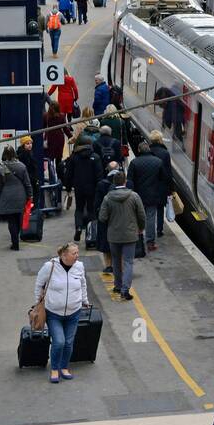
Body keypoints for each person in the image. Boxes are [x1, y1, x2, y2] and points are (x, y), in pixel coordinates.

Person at [33, 242, 90, 384]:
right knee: (59, 342)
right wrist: (37, 304)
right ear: (64, 255)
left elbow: (83, 284)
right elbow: (39, 284)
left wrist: (84, 300)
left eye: (77, 253)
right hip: (54, 313)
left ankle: (64, 367)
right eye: (74, 253)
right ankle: (55, 368)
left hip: (74, 312)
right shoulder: (50, 266)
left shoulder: (79, 266)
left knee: (69, 342)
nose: (77, 256)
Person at [98, 170, 144, 300]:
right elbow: (141, 215)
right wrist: (141, 228)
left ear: (114, 182)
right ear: (125, 182)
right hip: (130, 234)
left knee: (116, 261)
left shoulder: (107, 198)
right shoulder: (134, 196)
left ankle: (117, 286)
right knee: (128, 262)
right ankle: (125, 290)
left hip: (113, 235)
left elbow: (102, 217)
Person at [127, 142, 168, 253]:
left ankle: (136, 239)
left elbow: (129, 180)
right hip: (153, 195)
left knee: (137, 218)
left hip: (137, 195)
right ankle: (150, 242)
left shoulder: (134, 162)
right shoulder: (158, 162)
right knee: (150, 218)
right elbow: (164, 179)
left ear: (139, 150)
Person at [62, 134, 103, 243]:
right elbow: (99, 175)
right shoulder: (95, 157)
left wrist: (68, 187)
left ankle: (79, 227)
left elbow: (68, 174)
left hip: (79, 188)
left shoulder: (74, 157)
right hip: (92, 188)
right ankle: (92, 234)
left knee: (79, 209)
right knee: (91, 210)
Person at [0, 147, 33, 251]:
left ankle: (14, 242)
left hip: (7, 196)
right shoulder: (22, 166)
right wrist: (30, 196)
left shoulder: (2, 167)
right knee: (19, 218)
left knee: (11, 221)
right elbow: (27, 183)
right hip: (21, 195)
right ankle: (17, 237)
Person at [93, 162, 120, 278]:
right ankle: (117, 265)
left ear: (107, 170)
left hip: (105, 218)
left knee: (105, 241)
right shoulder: (126, 183)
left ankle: (108, 265)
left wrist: (98, 216)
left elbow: (97, 204)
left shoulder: (101, 184)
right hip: (119, 219)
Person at [147, 130, 172, 238]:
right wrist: (170, 188)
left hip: (149, 184)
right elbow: (168, 172)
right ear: (160, 139)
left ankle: (150, 231)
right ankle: (159, 230)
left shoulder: (147, 151)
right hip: (161, 185)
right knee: (160, 208)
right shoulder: (165, 153)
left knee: (150, 210)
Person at [43, 104, 68, 168]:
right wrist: (71, 136)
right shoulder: (62, 116)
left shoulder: (46, 116)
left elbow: (43, 127)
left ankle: (52, 175)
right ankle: (59, 174)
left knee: (50, 158)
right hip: (59, 138)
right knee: (59, 158)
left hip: (49, 137)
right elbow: (65, 128)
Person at [18, 136, 42, 205]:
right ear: (23, 145)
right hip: (29, 181)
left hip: (31, 180)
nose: (30, 145)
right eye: (27, 144)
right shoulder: (24, 155)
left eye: (30, 143)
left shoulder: (29, 153)